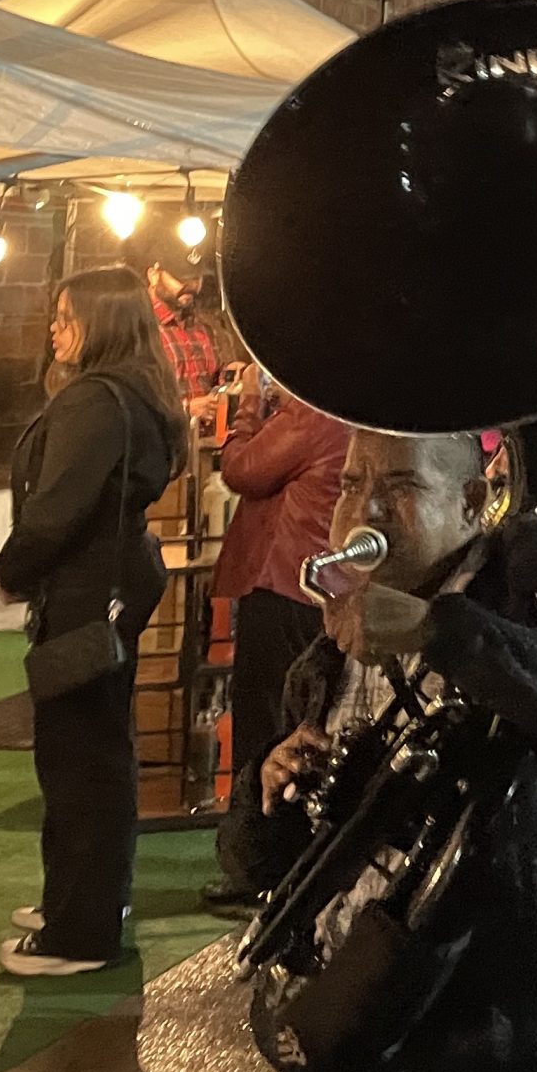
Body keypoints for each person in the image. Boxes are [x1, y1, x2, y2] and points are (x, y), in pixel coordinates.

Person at [258, 429, 537, 1072]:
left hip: (491, 1040)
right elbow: (271, 854)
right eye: (351, 484)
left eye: (401, 486)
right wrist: (277, 784)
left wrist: (435, 630)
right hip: (356, 1021)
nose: (367, 508)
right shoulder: (333, 638)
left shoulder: (532, 600)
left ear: (472, 502)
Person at [0, 267, 187, 975]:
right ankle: (86, 900)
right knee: (97, 750)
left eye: (66, 316)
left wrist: (12, 569)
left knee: (78, 759)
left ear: (101, 322)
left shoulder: (98, 400)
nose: (54, 328)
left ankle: (79, 931)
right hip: (112, 581)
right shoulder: (137, 389)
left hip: (85, 590)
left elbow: (57, 508)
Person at [204, 368, 348, 915]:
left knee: (264, 726)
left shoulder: (312, 413)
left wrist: (247, 406)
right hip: (322, 588)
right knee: (301, 722)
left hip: (285, 584)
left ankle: (259, 867)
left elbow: (241, 469)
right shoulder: (354, 412)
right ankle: (290, 861)